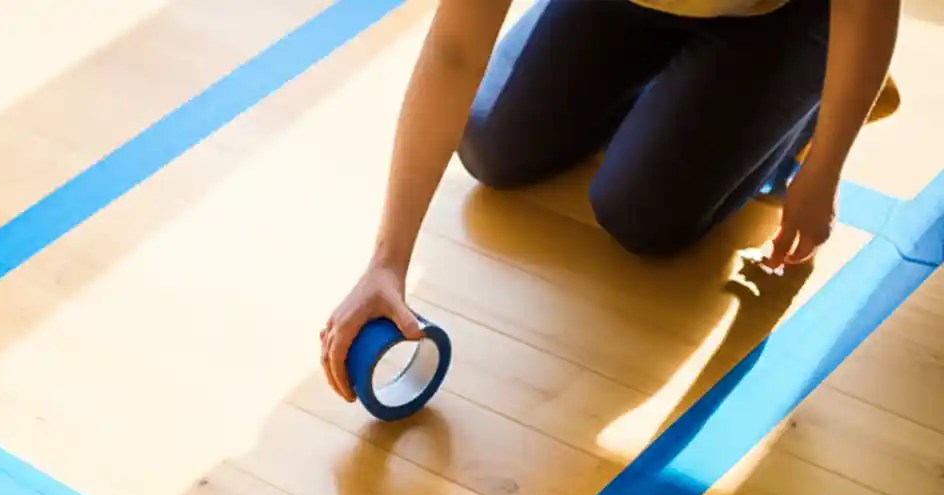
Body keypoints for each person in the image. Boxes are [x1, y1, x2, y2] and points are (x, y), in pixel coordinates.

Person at [320, 0, 901, 403]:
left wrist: (824, 169)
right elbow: (453, 49)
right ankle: (687, 91)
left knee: (646, 212)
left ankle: (814, 90)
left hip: (778, 14)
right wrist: (387, 260)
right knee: (491, 141)